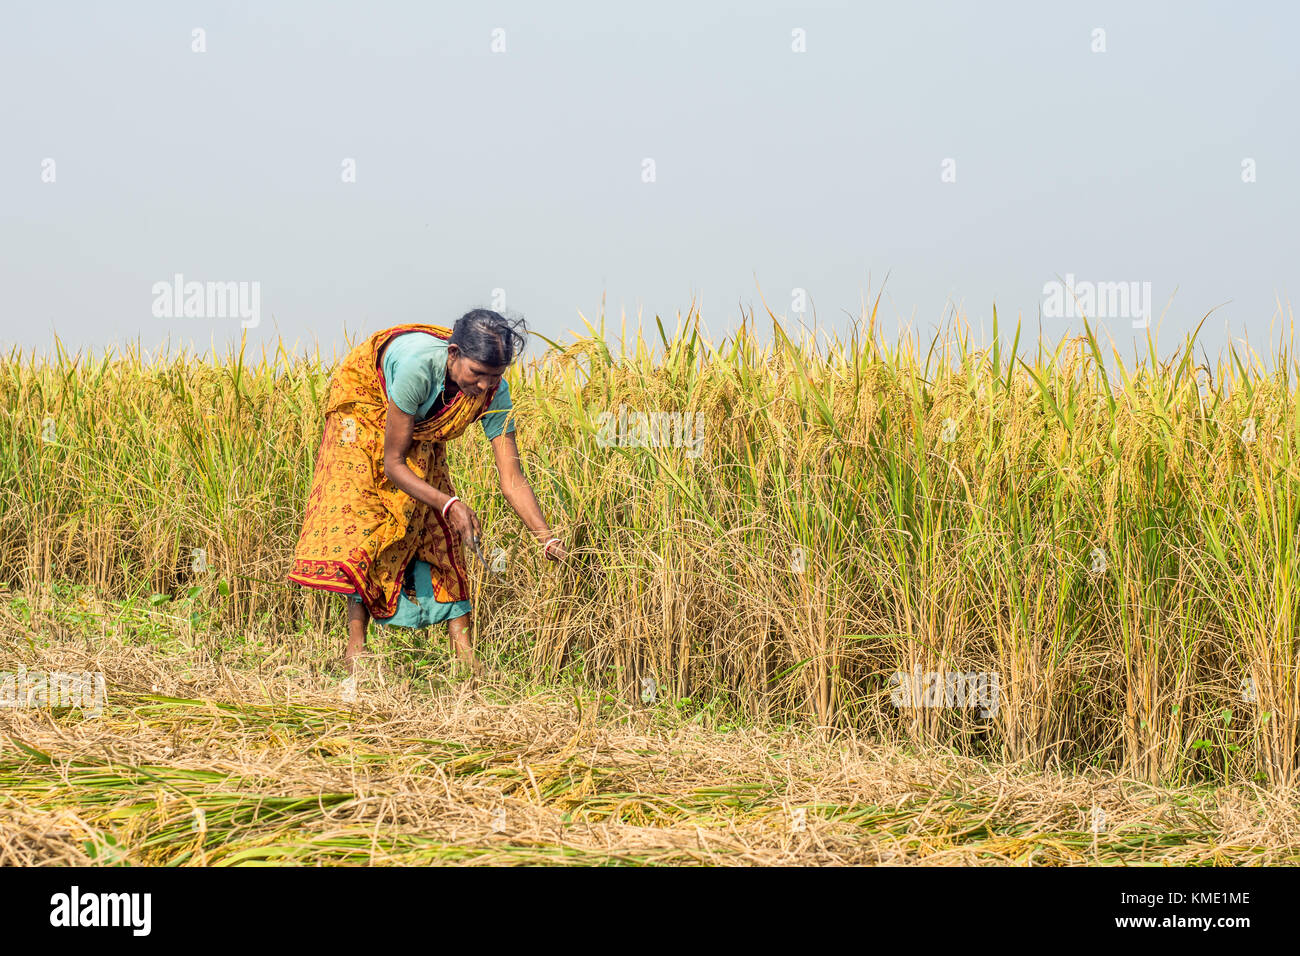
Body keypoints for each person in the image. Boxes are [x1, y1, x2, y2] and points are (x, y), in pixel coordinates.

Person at [287, 309, 566, 676]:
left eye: (494, 376)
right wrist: (450, 502)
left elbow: (512, 476)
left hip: (418, 428)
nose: (484, 386)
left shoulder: (495, 392)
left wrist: (545, 537)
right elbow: (393, 463)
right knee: (371, 522)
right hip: (366, 408)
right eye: (477, 374)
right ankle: (356, 646)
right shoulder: (418, 370)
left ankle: (465, 657)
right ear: (453, 355)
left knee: (441, 525)